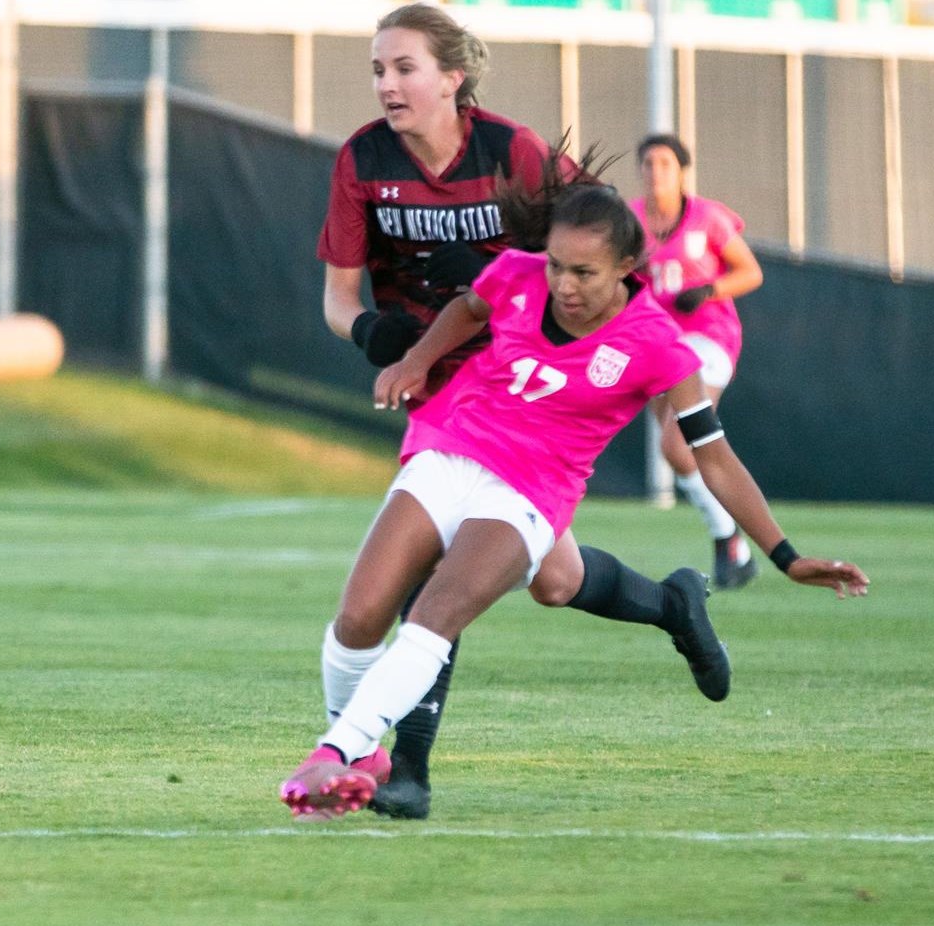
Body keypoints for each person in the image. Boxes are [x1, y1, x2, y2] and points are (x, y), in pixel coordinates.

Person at [280, 178, 869, 821]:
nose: (563, 284)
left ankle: (333, 754)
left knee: (436, 610)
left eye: (583, 272)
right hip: (450, 448)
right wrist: (419, 360)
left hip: (530, 492)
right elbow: (470, 311)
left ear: (626, 268)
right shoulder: (517, 273)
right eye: (557, 264)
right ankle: (362, 763)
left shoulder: (658, 346)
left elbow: (714, 456)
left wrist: (786, 557)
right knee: (363, 615)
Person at [317, 2, 694, 822]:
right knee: (498, 577)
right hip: (439, 392)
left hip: (517, 384)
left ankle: (404, 769)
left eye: (404, 67)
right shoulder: (362, 160)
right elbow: (337, 301)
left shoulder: (511, 152)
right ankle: (391, 761)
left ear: (454, 76)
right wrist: (375, 333)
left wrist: (518, 278)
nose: (387, 83)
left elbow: (610, 247)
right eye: (378, 69)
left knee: (544, 581)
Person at [630, 134, 765, 590]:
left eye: (665, 162)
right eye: (648, 163)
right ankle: (732, 543)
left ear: (681, 170)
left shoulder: (706, 217)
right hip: (656, 341)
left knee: (675, 444)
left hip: (709, 337)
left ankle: (729, 536)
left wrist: (709, 290)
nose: (655, 171)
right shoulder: (631, 221)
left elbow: (750, 272)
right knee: (688, 449)